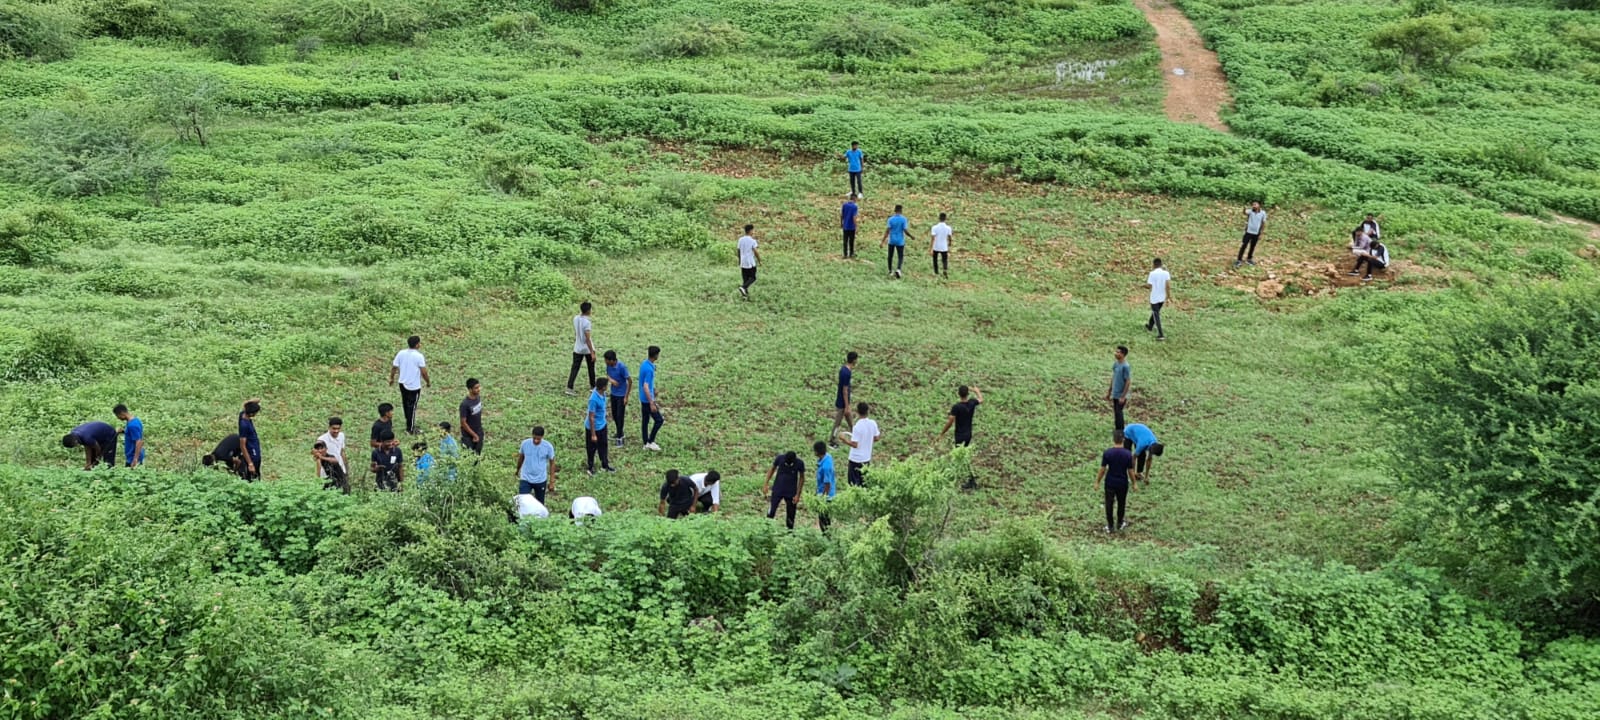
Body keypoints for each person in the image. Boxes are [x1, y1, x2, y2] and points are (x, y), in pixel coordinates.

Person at [938, 385, 983, 490]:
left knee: (960, 457)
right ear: (968, 394)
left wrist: (942, 433)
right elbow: (981, 400)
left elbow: (950, 421)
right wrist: (977, 391)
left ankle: (969, 480)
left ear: (958, 394)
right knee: (962, 456)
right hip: (968, 434)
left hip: (960, 435)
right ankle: (968, 479)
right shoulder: (972, 403)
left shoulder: (957, 407)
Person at [1095, 430, 1136, 533]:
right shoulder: (1128, 454)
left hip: (1110, 482)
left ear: (1113, 440)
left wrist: (1097, 482)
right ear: (1123, 440)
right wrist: (1134, 483)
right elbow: (1130, 471)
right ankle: (1120, 523)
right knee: (1121, 503)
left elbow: (1103, 469)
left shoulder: (1108, 453)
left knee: (1109, 503)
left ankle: (1110, 526)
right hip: (1122, 482)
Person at [389, 335, 430, 435]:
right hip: (413, 386)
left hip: (402, 383)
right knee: (412, 406)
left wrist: (391, 378)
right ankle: (410, 429)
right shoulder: (419, 356)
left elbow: (394, 367)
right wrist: (428, 382)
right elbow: (424, 372)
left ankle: (409, 423)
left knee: (405, 404)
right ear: (417, 345)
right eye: (419, 343)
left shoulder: (401, 353)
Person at [763, 451, 805, 530]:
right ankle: (767, 529)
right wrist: (766, 483)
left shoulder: (799, 463)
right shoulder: (780, 458)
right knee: (771, 511)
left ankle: (789, 532)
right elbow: (772, 469)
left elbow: (802, 478)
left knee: (791, 515)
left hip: (791, 492)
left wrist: (798, 494)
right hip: (777, 489)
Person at [516, 426, 556, 503]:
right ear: (532, 435)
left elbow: (552, 463)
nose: (536, 441)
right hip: (526, 478)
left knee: (540, 503)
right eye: (534, 438)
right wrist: (517, 469)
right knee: (522, 501)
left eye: (538, 439)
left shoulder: (548, 447)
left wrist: (551, 482)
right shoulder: (525, 444)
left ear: (542, 437)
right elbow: (521, 458)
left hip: (540, 479)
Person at [584, 377, 616, 475]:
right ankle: (590, 467)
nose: (608, 387)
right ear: (603, 387)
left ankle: (605, 465)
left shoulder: (603, 394)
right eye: (607, 385)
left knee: (603, 446)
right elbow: (591, 417)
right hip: (593, 428)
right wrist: (593, 434)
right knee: (592, 448)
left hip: (602, 425)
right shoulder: (593, 399)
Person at [844, 402, 880, 487]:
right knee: (864, 483)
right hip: (866, 458)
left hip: (855, 459)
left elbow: (855, 444)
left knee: (853, 484)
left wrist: (844, 440)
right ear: (868, 411)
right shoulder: (872, 423)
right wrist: (868, 440)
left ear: (857, 412)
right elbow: (877, 437)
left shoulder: (857, 427)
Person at [1121, 422, 1164, 487]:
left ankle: (1139, 473)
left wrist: (1146, 477)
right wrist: (1133, 477)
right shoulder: (1142, 444)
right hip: (1129, 432)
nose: (1151, 455)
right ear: (1151, 449)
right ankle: (1126, 475)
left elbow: (1149, 460)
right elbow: (1134, 458)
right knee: (1128, 456)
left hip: (1139, 434)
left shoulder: (1154, 442)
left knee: (1142, 455)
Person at [568, 301, 596, 396]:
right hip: (586, 348)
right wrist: (592, 352)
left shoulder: (576, 318)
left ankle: (569, 387)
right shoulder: (587, 322)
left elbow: (576, 332)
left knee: (575, 368)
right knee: (591, 367)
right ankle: (593, 386)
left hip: (577, 347)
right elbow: (588, 339)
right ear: (588, 311)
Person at [638, 346, 663, 451]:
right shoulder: (649, 369)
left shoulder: (645, 364)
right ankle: (650, 441)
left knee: (645, 420)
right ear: (656, 355)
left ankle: (645, 442)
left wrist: (653, 389)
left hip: (643, 398)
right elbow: (645, 386)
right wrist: (652, 402)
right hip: (648, 399)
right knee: (659, 420)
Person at [604, 350, 631, 448]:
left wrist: (626, 396)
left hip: (621, 395)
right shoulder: (609, 366)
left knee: (620, 416)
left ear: (612, 360)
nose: (605, 363)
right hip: (613, 394)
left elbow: (630, 381)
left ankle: (620, 438)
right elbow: (607, 375)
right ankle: (620, 432)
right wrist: (611, 380)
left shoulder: (622, 367)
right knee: (615, 415)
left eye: (607, 361)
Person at [830, 351, 857, 447]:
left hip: (842, 401)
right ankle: (832, 440)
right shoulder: (847, 373)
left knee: (850, 421)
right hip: (843, 403)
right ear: (854, 360)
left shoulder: (843, 369)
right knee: (838, 422)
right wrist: (847, 406)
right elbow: (845, 390)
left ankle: (856, 436)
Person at [316, 417, 350, 492]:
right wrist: (318, 477)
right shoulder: (322, 440)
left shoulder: (341, 436)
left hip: (340, 470)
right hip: (327, 472)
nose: (336, 431)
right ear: (329, 427)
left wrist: (346, 469)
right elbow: (318, 459)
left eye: (338, 428)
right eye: (334, 428)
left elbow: (342, 452)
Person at [1235, 201, 1267, 267]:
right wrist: (1244, 209)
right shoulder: (1250, 211)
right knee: (1244, 245)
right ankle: (1239, 260)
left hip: (1256, 233)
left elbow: (1263, 223)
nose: (1254, 206)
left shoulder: (1263, 213)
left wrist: (1261, 233)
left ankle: (1249, 259)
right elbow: (1244, 213)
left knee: (1252, 246)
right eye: (1253, 205)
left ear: (1259, 205)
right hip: (1248, 232)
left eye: (1255, 204)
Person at [1146, 258, 1171, 341]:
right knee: (1155, 312)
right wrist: (1168, 297)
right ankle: (1150, 326)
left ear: (1154, 264)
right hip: (1162, 297)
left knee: (1156, 314)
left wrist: (1142, 286)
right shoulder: (1166, 273)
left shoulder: (1152, 274)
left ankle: (1161, 334)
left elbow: (1150, 286)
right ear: (1161, 264)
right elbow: (1168, 286)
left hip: (1154, 297)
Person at [813, 441, 835, 532]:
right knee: (823, 518)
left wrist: (823, 498)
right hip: (822, 492)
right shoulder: (828, 457)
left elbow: (827, 483)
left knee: (824, 519)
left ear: (817, 452)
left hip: (826, 496)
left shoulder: (826, 466)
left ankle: (826, 535)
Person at [1107, 346, 1131, 432]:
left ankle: (1120, 431)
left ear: (1123, 354)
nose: (1116, 353)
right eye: (1116, 352)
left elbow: (1128, 381)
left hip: (1121, 394)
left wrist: (1123, 396)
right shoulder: (1116, 364)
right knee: (1116, 412)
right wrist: (1109, 391)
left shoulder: (1126, 366)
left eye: (1118, 352)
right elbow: (1114, 377)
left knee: (1119, 412)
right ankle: (1118, 429)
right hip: (1115, 392)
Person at [881, 204, 908, 278]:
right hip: (900, 241)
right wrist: (911, 236)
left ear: (895, 210)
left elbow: (887, 231)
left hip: (891, 240)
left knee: (890, 256)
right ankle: (898, 269)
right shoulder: (904, 219)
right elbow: (905, 230)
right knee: (900, 256)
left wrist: (883, 241)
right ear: (901, 211)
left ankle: (890, 271)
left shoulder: (890, 219)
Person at [459, 378, 484, 454]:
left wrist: (478, 434)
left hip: (478, 431)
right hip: (468, 436)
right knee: (468, 456)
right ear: (470, 389)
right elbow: (463, 423)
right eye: (476, 388)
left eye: (479, 387)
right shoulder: (465, 404)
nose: (479, 389)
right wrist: (474, 435)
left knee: (478, 455)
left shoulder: (478, 398)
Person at [238, 399, 262, 481]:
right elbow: (242, 445)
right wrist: (250, 463)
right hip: (252, 451)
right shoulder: (244, 425)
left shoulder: (242, 414)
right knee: (254, 472)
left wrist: (250, 403)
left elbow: (256, 400)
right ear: (252, 414)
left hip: (254, 445)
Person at [737, 224, 760, 300]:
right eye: (753, 230)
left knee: (745, 279)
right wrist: (759, 260)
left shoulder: (740, 240)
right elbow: (756, 251)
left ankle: (745, 296)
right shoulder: (752, 241)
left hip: (743, 262)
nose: (754, 232)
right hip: (750, 262)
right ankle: (743, 287)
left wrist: (739, 260)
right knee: (753, 277)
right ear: (750, 231)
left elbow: (738, 250)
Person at [930, 212, 953, 278]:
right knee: (944, 259)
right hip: (944, 246)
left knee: (935, 260)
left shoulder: (934, 227)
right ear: (945, 218)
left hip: (936, 246)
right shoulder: (948, 228)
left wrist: (931, 248)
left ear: (939, 218)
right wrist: (950, 243)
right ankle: (945, 269)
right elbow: (950, 237)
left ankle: (936, 272)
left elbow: (933, 238)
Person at [841, 193, 859, 258]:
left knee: (845, 240)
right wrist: (856, 226)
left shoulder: (844, 205)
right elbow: (854, 217)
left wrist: (841, 223)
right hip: (851, 226)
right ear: (855, 198)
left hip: (845, 225)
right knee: (851, 240)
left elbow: (842, 215)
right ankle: (851, 253)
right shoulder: (855, 206)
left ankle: (845, 254)